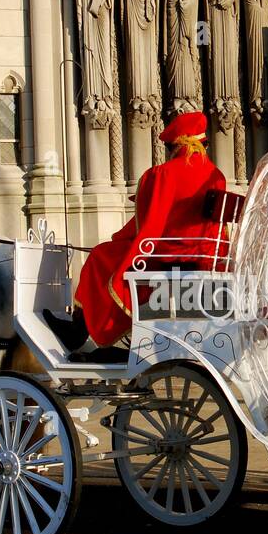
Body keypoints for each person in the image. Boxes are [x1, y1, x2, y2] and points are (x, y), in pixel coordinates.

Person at [44, 111, 228, 354]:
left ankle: (79, 330)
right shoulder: (217, 176)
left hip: (166, 260)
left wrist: (118, 239)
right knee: (109, 254)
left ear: (176, 145)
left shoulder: (165, 173)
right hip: (205, 261)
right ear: (202, 144)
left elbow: (149, 224)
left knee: (100, 255)